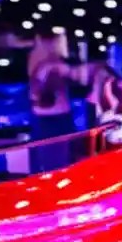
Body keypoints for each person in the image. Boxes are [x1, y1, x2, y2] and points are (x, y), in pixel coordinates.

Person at [27, 31, 78, 172]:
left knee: (52, 154)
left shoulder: (40, 63)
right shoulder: (51, 65)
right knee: (55, 156)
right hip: (53, 115)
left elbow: (34, 91)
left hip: (48, 114)